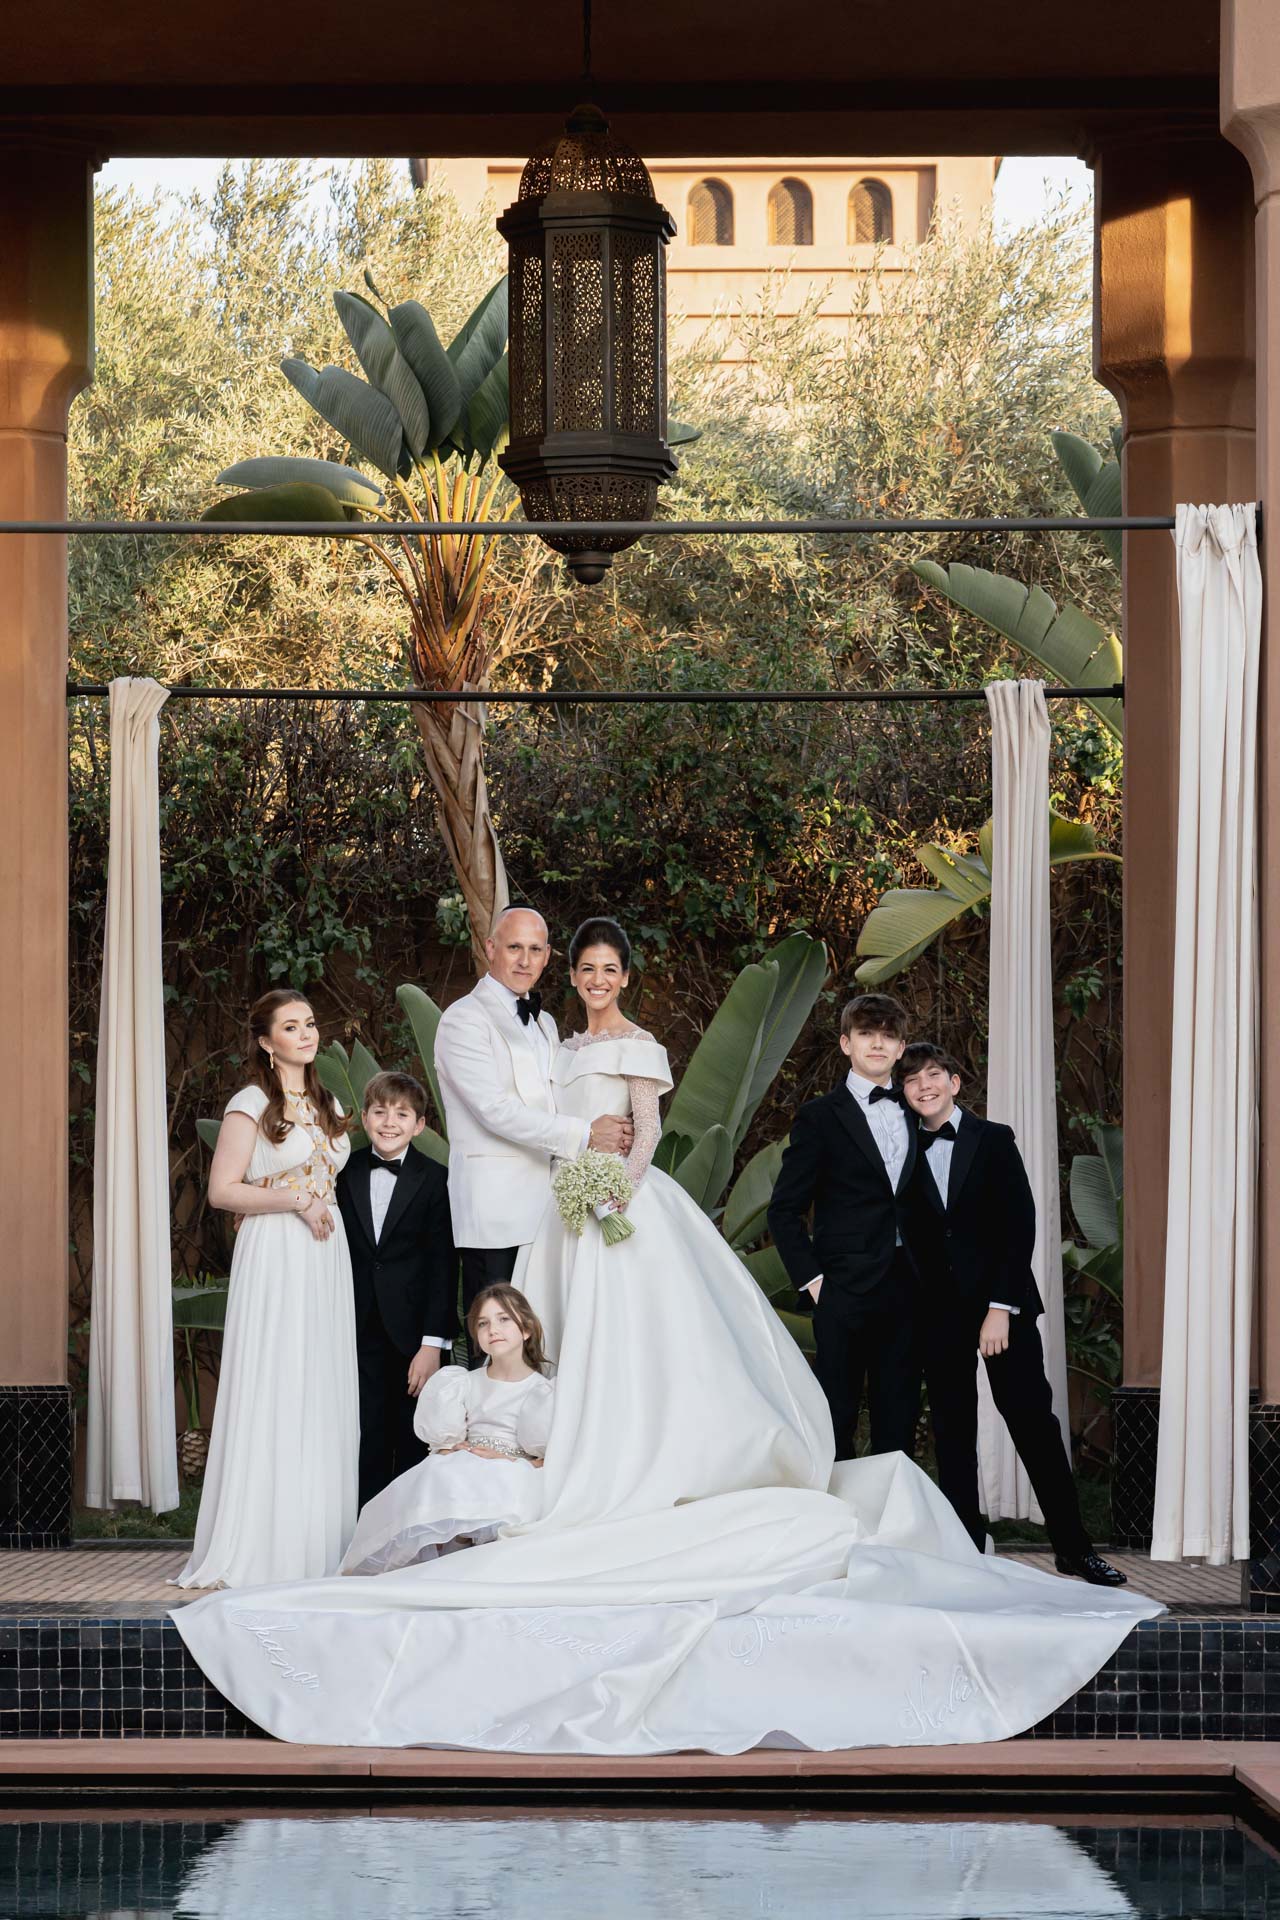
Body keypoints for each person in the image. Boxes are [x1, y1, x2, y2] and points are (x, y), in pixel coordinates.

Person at [513, 916, 833, 1530]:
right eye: (587, 969)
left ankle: (644, 1452)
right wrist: (573, 1187)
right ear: (573, 977)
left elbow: (648, 1129)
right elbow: (557, 1130)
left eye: (610, 969)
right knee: (564, 1323)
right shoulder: (561, 1051)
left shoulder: (638, 1043)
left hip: (620, 1203)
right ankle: (572, 1448)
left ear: (625, 977)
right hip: (563, 1206)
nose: (598, 979)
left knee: (636, 1333)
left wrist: (616, 1195)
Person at [896, 1040, 1126, 1587]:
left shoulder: (994, 1140)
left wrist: (1001, 1309)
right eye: (911, 1081)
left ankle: (1073, 1548)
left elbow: (1018, 1225)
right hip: (937, 1314)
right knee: (953, 1433)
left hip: (1004, 1307)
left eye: (933, 1074)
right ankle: (966, 1552)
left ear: (954, 1081)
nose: (923, 1086)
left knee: (1034, 1425)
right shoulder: (899, 1149)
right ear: (903, 1094)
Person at [176, 988, 357, 1589]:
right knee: (278, 1380)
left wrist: (316, 1204)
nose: (306, 1035)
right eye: (290, 1027)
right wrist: (295, 1200)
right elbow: (223, 1190)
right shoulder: (251, 1102)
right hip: (277, 1250)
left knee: (320, 1385)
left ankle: (316, 1540)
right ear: (264, 1041)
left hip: (326, 1257)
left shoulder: (330, 1102)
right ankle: (262, 1541)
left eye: (309, 1024)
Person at [433, 905, 634, 1325]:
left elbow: (556, 1099)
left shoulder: (544, 1023)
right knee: (498, 1335)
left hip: (551, 1208)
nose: (525, 960)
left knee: (542, 1334)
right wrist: (586, 1135)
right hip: (496, 1211)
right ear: (491, 948)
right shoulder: (463, 1019)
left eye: (535, 949)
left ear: (547, 956)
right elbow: (494, 1110)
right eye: (514, 947)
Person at [767, 992, 920, 1460]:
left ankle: (894, 1524)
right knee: (837, 1417)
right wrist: (815, 1284)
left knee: (900, 1418)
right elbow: (784, 1210)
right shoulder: (819, 1118)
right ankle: (840, 1525)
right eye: (866, 1034)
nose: (877, 1044)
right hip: (843, 1289)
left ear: (900, 1047)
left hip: (911, 1286)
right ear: (845, 1043)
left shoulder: (921, 1111)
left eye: (888, 1036)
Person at [340, 1285, 554, 1575]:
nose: (493, 1329)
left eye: (504, 1319)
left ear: (526, 1329)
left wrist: (509, 1461)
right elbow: (444, 1439)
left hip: (512, 1467)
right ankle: (439, 1564)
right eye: (483, 1323)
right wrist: (450, 1446)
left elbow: (550, 1457)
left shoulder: (542, 1391)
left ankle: (479, 1565)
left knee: (500, 1482)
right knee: (442, 1473)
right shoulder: (463, 1382)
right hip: (466, 1460)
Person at [335, 1070, 457, 1510]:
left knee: (410, 1439)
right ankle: (359, 1534)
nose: (390, 1122)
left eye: (402, 1114)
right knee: (364, 1435)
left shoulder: (436, 1179)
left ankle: (406, 1533)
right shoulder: (341, 1173)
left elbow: (443, 1264)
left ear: (419, 1125)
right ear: (364, 1118)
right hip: (353, 1327)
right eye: (380, 1112)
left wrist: (432, 1344)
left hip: (412, 1337)